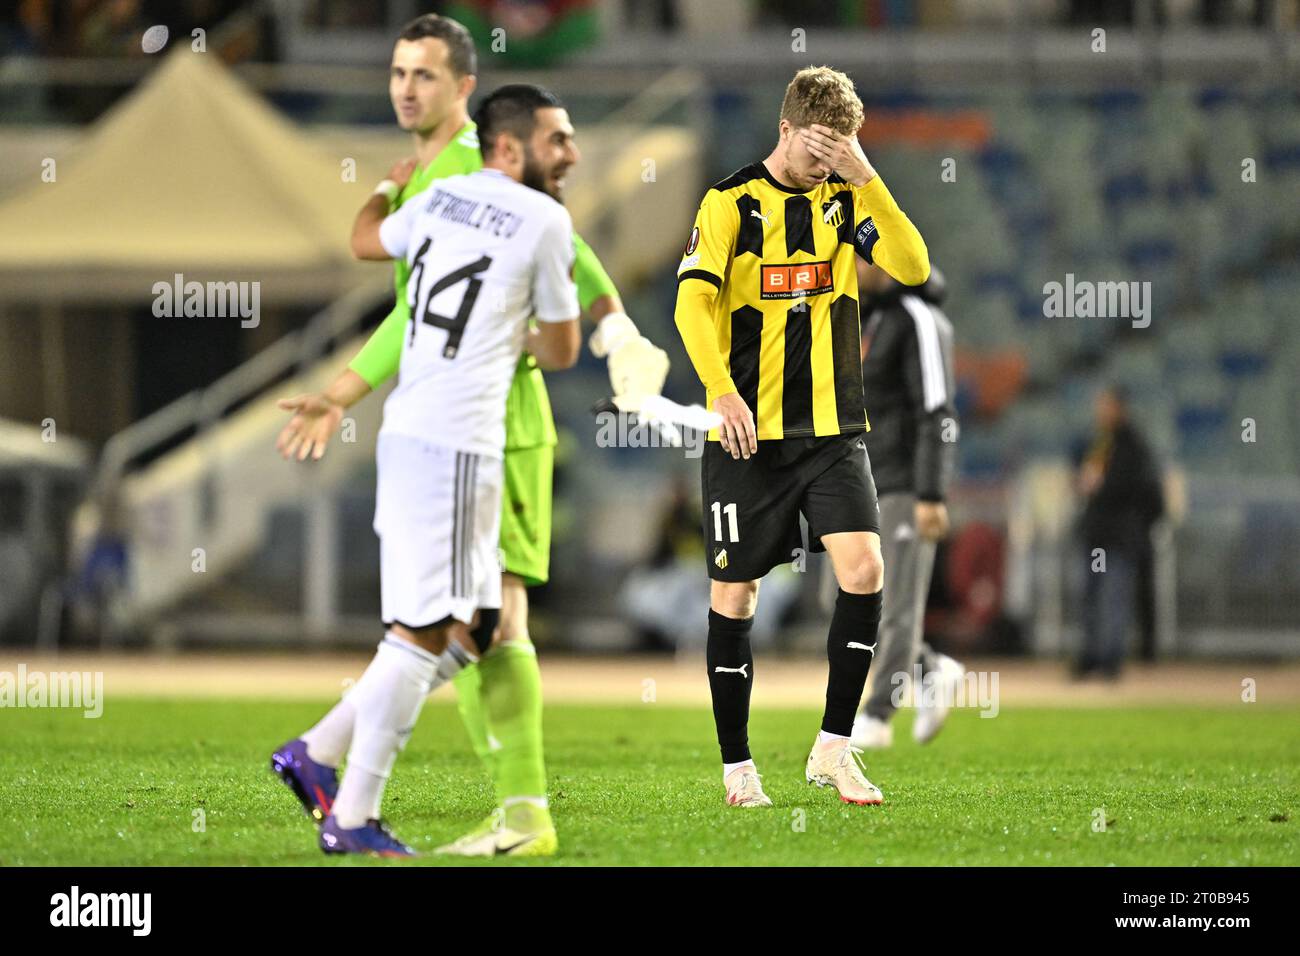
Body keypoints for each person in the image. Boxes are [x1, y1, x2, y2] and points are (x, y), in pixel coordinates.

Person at [269, 15, 668, 857]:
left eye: (423, 74)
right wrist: (342, 392)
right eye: (396, 72)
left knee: (483, 620)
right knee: (476, 623)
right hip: (467, 427)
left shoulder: (453, 178)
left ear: (465, 93)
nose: (404, 88)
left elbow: (569, 260)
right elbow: (435, 304)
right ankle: (469, 807)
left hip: (495, 422)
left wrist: (616, 324)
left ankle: (355, 766)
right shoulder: (467, 184)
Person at [673, 65, 929, 808]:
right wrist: (721, 390)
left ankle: (834, 749)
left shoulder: (848, 195)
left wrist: (866, 174)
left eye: (839, 152)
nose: (825, 168)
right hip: (747, 433)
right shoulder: (729, 204)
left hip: (830, 430)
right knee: (736, 593)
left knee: (865, 569)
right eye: (818, 151)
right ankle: (738, 769)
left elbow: (911, 266)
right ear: (785, 128)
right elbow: (693, 307)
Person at [848, 261, 965, 750]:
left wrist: (931, 493)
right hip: (863, 480)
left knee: (894, 606)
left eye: (858, 255)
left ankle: (877, 714)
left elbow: (937, 410)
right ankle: (930, 669)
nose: (850, 265)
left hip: (902, 483)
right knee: (853, 597)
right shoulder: (868, 317)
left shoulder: (918, 317)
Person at [1075, 385, 1164, 679]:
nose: (1101, 412)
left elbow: (1138, 489)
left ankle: (1110, 659)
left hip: (1118, 536)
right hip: (1097, 534)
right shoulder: (1099, 441)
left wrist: (1100, 486)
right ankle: (1091, 655)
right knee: (1092, 596)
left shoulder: (1133, 444)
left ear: (1120, 408)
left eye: (1106, 405)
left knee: (1113, 596)